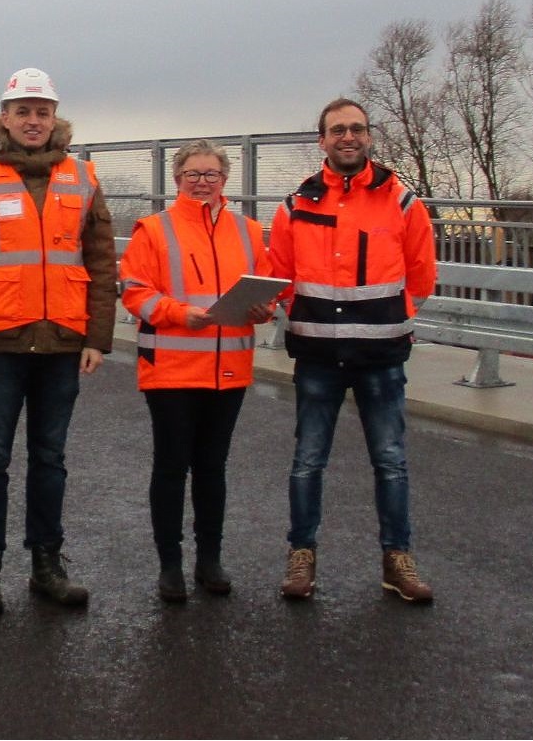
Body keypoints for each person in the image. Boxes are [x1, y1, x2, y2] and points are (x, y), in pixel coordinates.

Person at [0, 67, 118, 615]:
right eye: (24, 112)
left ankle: (47, 563)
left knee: (50, 458)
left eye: (43, 111)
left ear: (55, 118)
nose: (34, 121)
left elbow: (102, 262)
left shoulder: (83, 177)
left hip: (63, 342)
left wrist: (98, 337)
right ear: (5, 118)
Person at [269, 97, 437, 603]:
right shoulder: (296, 205)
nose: (348, 137)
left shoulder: (402, 203)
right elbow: (278, 275)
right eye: (338, 129)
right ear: (322, 140)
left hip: (381, 357)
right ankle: (302, 557)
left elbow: (421, 275)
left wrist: (389, 323)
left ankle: (397, 560)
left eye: (357, 129)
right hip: (318, 355)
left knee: (390, 462)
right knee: (307, 461)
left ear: (369, 137)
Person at [119, 140, 275, 603]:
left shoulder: (248, 231)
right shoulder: (154, 229)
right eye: (193, 174)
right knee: (171, 467)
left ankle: (210, 560)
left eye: (211, 174)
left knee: (212, 468)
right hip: (171, 368)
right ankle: (170, 565)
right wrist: (176, 313)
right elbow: (134, 291)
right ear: (177, 179)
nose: (202, 182)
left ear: (225, 179)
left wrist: (265, 308)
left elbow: (265, 286)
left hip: (227, 370)